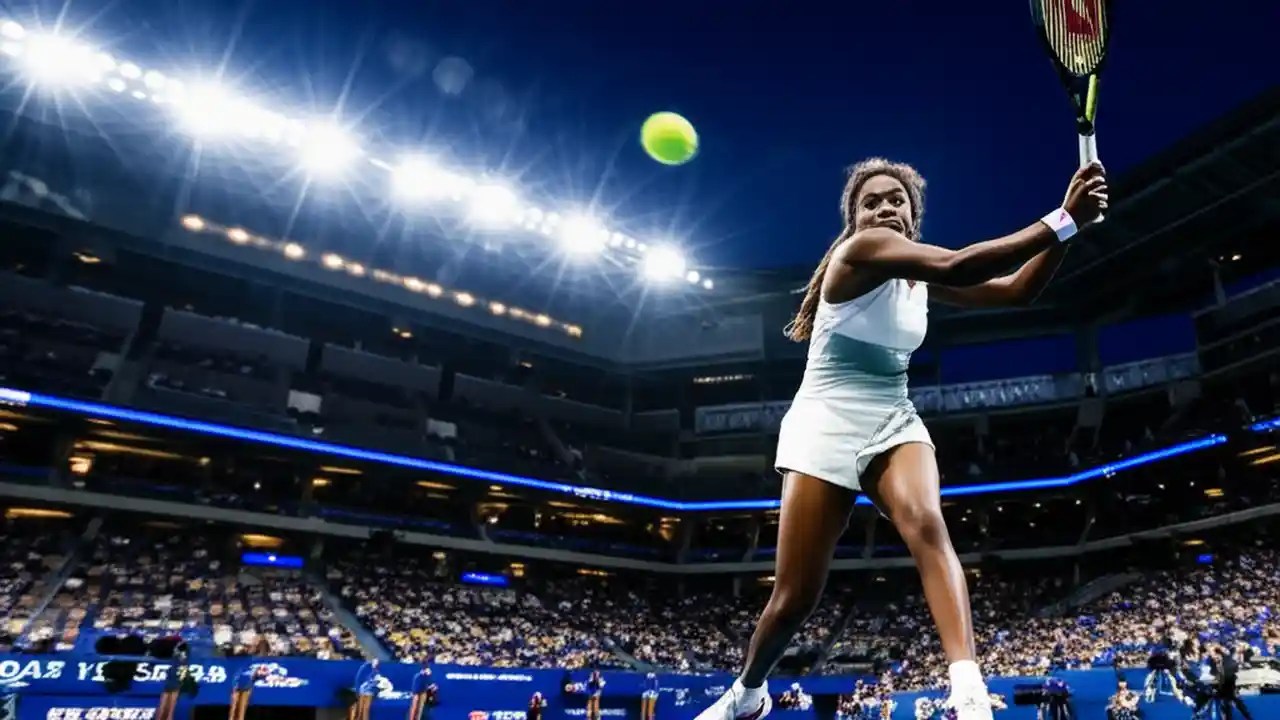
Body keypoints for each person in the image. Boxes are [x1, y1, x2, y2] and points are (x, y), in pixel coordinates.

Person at [695, 157, 1108, 720]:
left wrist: (1071, 230)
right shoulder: (858, 254)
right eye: (872, 201)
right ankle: (748, 692)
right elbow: (963, 263)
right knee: (794, 601)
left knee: (926, 521)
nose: (885, 207)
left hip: (893, 413)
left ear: (912, 214)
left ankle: (966, 689)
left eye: (897, 199)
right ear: (854, 220)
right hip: (824, 420)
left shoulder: (917, 278)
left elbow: (1015, 292)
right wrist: (1062, 218)